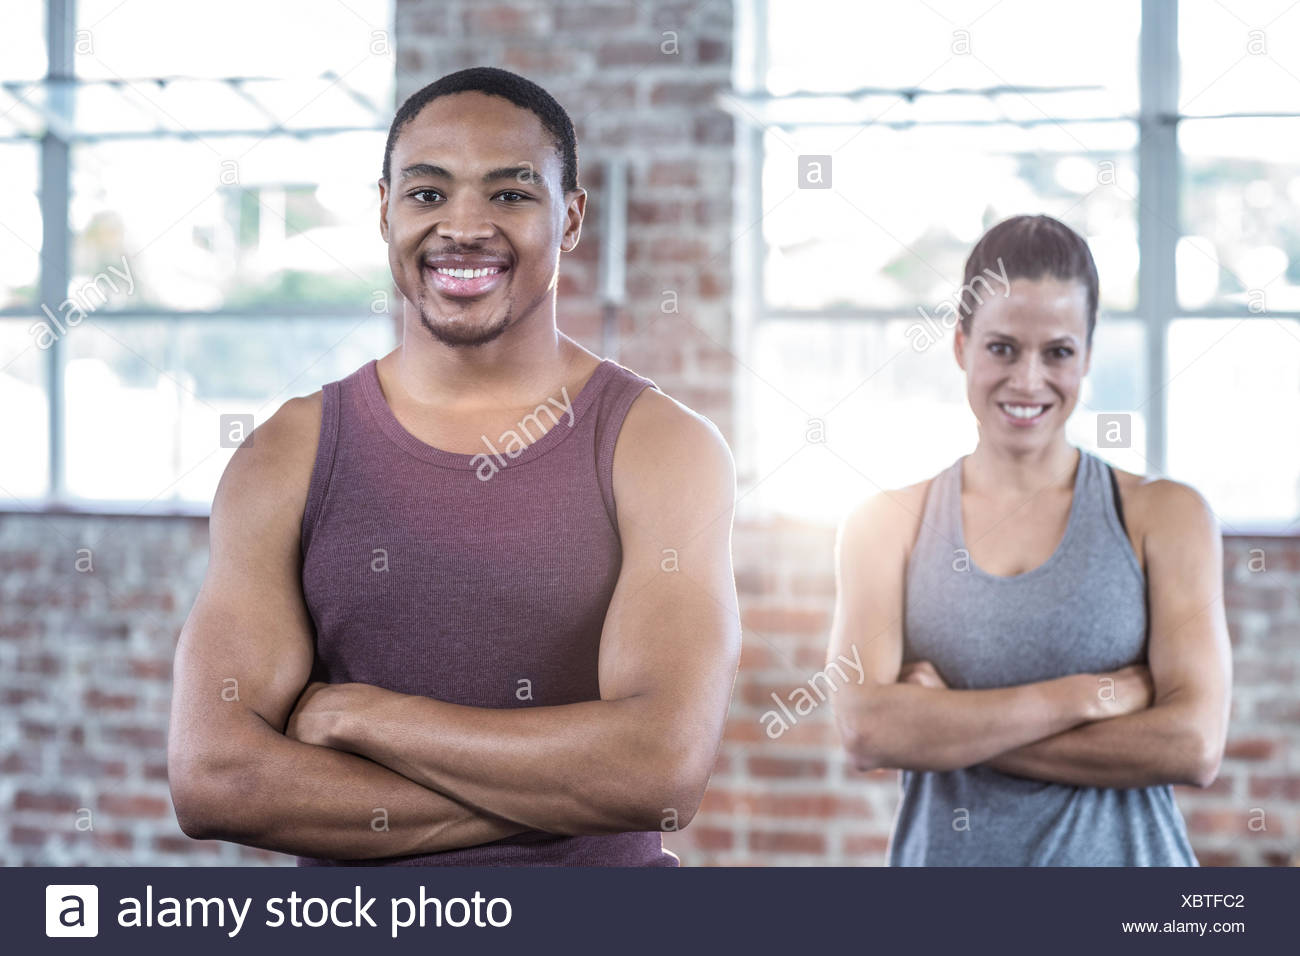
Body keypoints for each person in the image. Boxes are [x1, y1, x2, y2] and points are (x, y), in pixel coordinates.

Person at [167, 67, 740, 866]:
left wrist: (368, 718)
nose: (464, 227)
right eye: (428, 194)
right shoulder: (286, 454)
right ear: (384, 212)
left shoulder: (662, 446)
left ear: (570, 219)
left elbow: (659, 771)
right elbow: (215, 778)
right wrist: (566, 796)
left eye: (510, 195)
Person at [828, 215, 1231, 866]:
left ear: (1089, 356)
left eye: (1058, 352)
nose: (1027, 381)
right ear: (961, 345)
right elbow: (867, 730)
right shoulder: (885, 523)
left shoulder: (1165, 516)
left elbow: (1193, 745)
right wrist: (1085, 697)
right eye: (1002, 348)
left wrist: (947, 725)